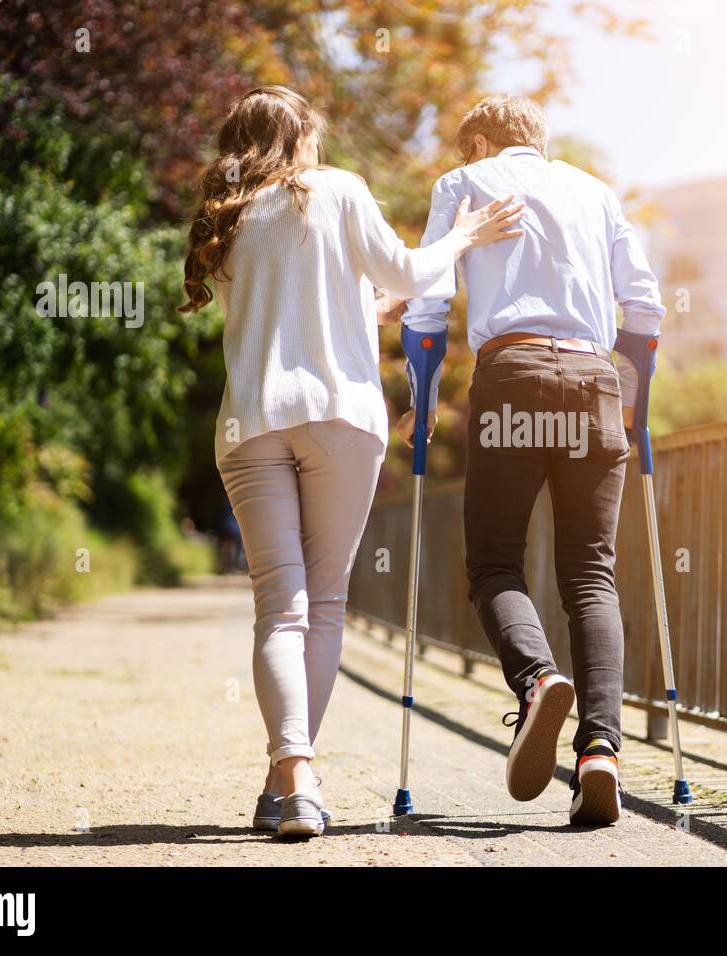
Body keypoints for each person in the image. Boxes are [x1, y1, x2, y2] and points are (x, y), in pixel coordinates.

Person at [180, 86, 522, 837]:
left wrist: (366, 310)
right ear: (299, 135)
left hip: (251, 425)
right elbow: (408, 271)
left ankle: (289, 775)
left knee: (279, 604)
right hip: (339, 418)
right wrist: (462, 237)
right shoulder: (335, 190)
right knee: (325, 603)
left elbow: (290, 309)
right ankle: (297, 774)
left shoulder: (228, 216)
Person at [397, 94, 665, 826]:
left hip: (512, 374)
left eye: (464, 148)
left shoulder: (464, 186)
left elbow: (427, 303)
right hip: (593, 380)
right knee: (591, 573)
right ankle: (601, 751)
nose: (460, 162)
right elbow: (644, 307)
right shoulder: (597, 192)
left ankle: (538, 679)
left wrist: (421, 395)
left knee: (493, 563)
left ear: (481, 140)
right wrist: (631, 404)